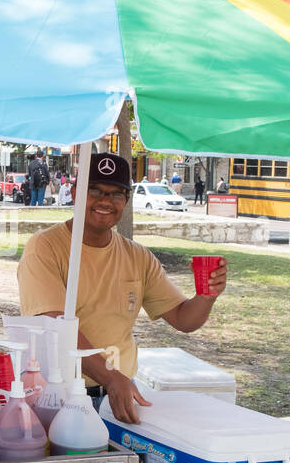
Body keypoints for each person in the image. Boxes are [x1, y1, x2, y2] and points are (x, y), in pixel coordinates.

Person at [17, 152, 226, 425]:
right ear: (76, 192)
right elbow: (57, 328)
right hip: (58, 399)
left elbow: (184, 320)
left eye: (117, 194)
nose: (105, 201)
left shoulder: (137, 257)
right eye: (95, 190)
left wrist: (207, 294)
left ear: (126, 201)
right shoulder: (45, 247)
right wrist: (112, 376)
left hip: (120, 396)